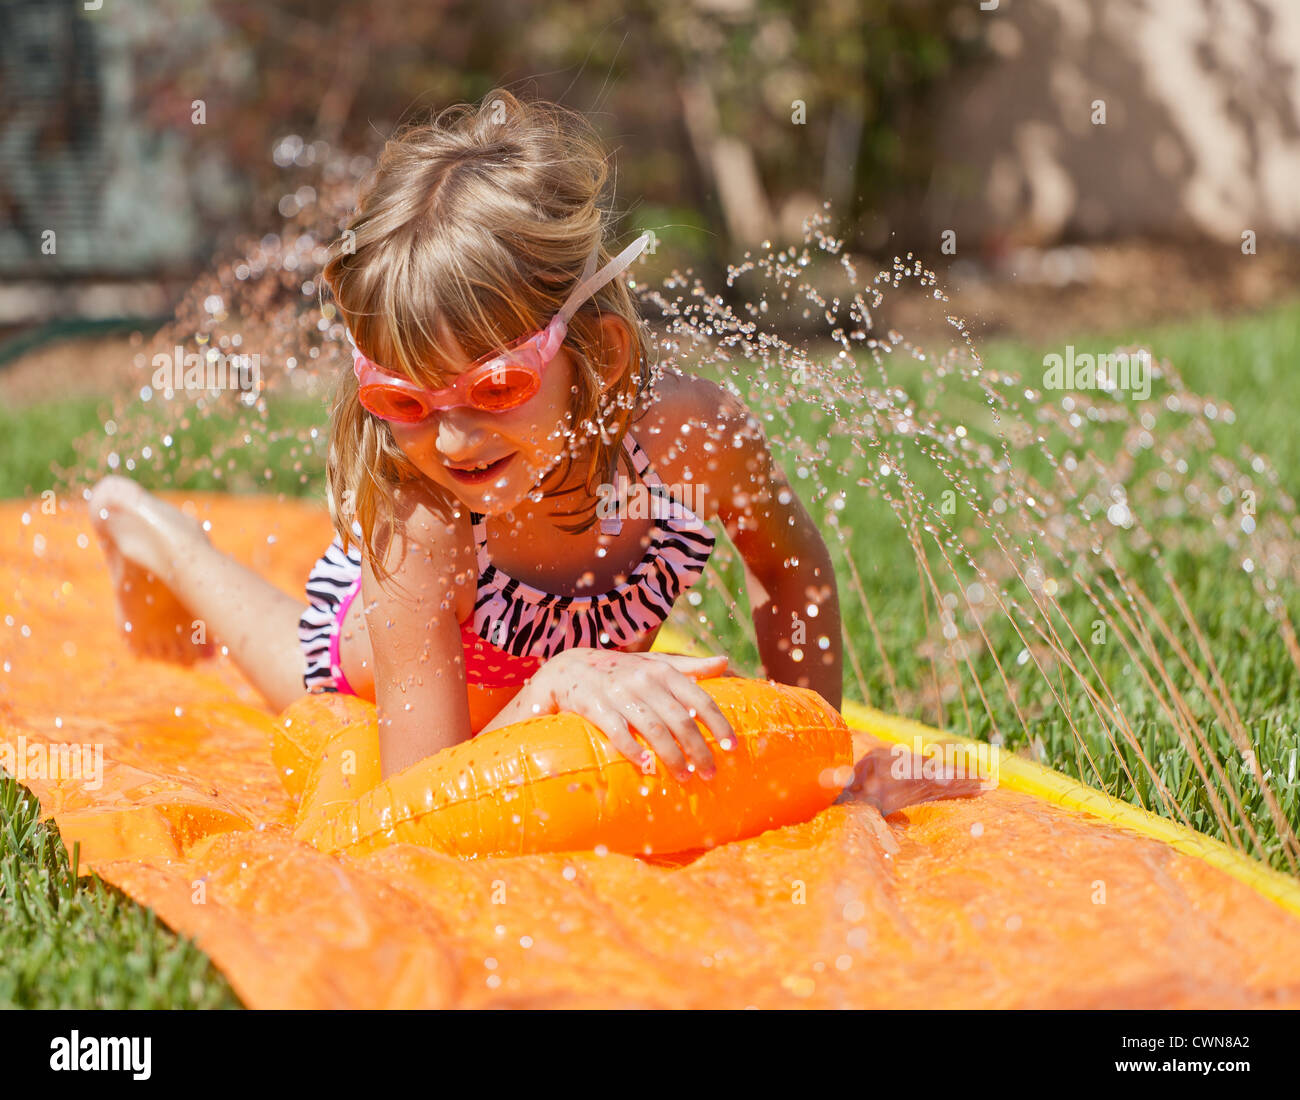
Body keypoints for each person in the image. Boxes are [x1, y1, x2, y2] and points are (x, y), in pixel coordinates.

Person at [88, 90, 842, 782]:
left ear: (599, 355)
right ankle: (157, 534)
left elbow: (790, 570)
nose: (453, 444)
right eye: (404, 399)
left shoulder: (691, 439)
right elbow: (420, 797)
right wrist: (554, 684)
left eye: (496, 388)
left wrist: (822, 764)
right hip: (369, 663)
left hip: (528, 668)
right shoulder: (425, 524)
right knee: (287, 666)